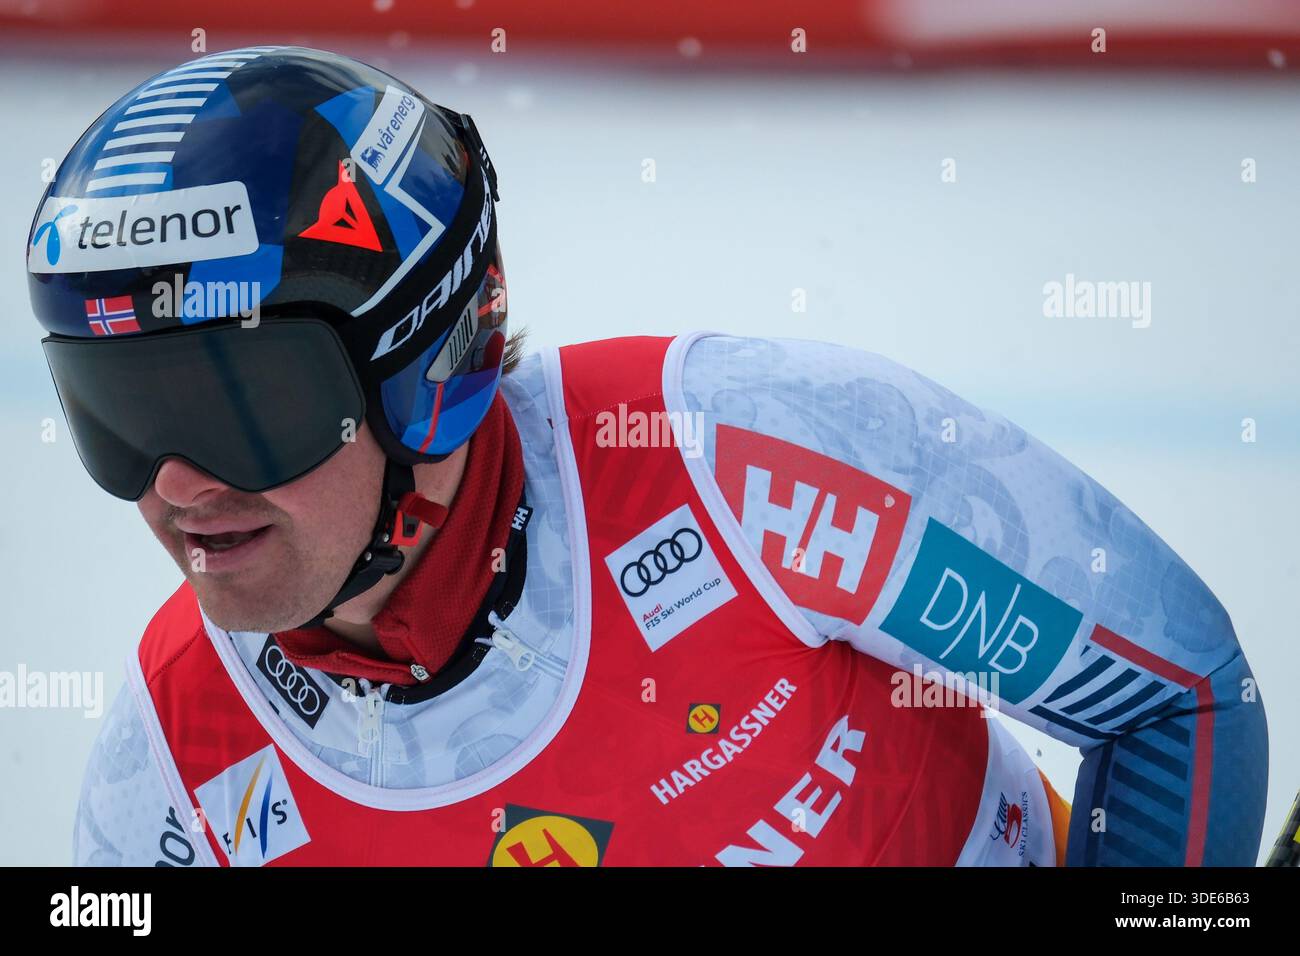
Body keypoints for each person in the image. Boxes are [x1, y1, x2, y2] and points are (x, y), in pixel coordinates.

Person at [29, 46, 1266, 867]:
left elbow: (1174, 696)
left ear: (424, 372)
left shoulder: (745, 462)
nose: (176, 485)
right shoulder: (179, 774)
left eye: (240, 404)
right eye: (119, 414)